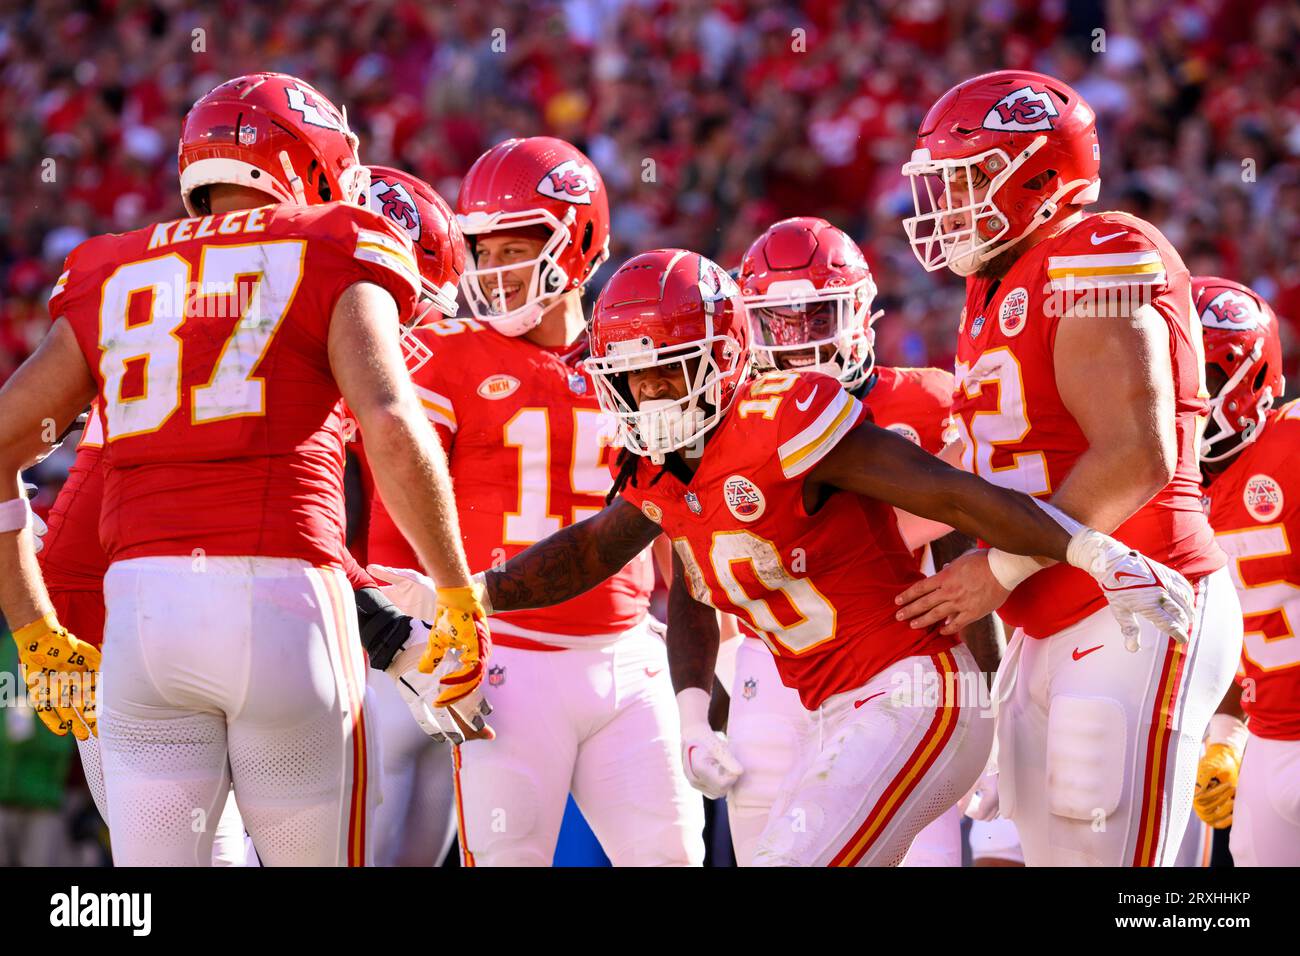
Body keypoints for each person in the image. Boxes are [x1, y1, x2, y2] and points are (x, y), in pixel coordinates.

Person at [382, 246, 1196, 867]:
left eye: (666, 375)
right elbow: (593, 549)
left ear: (721, 360)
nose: (648, 401)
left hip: (910, 696)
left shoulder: (788, 414)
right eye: (630, 382)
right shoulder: (665, 465)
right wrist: (469, 592)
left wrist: (1085, 548)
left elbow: (948, 497)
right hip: (837, 707)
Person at [0, 72, 485, 866]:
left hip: (135, 621)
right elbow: (391, 426)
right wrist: (458, 598)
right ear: (313, 162)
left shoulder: (115, 271)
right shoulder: (332, 242)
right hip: (277, 604)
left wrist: (30, 628)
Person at [894, 69, 1242, 866]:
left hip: (1133, 602)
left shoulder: (1097, 250)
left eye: (968, 179)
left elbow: (1135, 454)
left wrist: (999, 570)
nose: (947, 205)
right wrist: (859, 527)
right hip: (1045, 619)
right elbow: (982, 459)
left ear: (1042, 176)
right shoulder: (995, 285)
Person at [367, 137, 704, 867]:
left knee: (673, 854)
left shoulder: (635, 356)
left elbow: (677, 522)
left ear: (578, 239)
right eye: (483, 251)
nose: (495, 270)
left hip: (628, 656)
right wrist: (422, 644)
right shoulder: (444, 354)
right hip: (503, 657)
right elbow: (395, 533)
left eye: (515, 246)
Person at [721, 215, 994, 866]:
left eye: (817, 317)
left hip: (902, 661)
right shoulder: (734, 419)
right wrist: (698, 695)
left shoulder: (929, 402)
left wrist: (989, 688)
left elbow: (962, 550)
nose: (796, 343)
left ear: (860, 314)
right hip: (774, 669)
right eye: (777, 324)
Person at [1190, 276, 1300, 866]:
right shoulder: (1167, 490)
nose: (1179, 394)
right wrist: (1227, 741)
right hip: (1265, 743)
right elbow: (1233, 637)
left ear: (1249, 375)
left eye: (1197, 377)